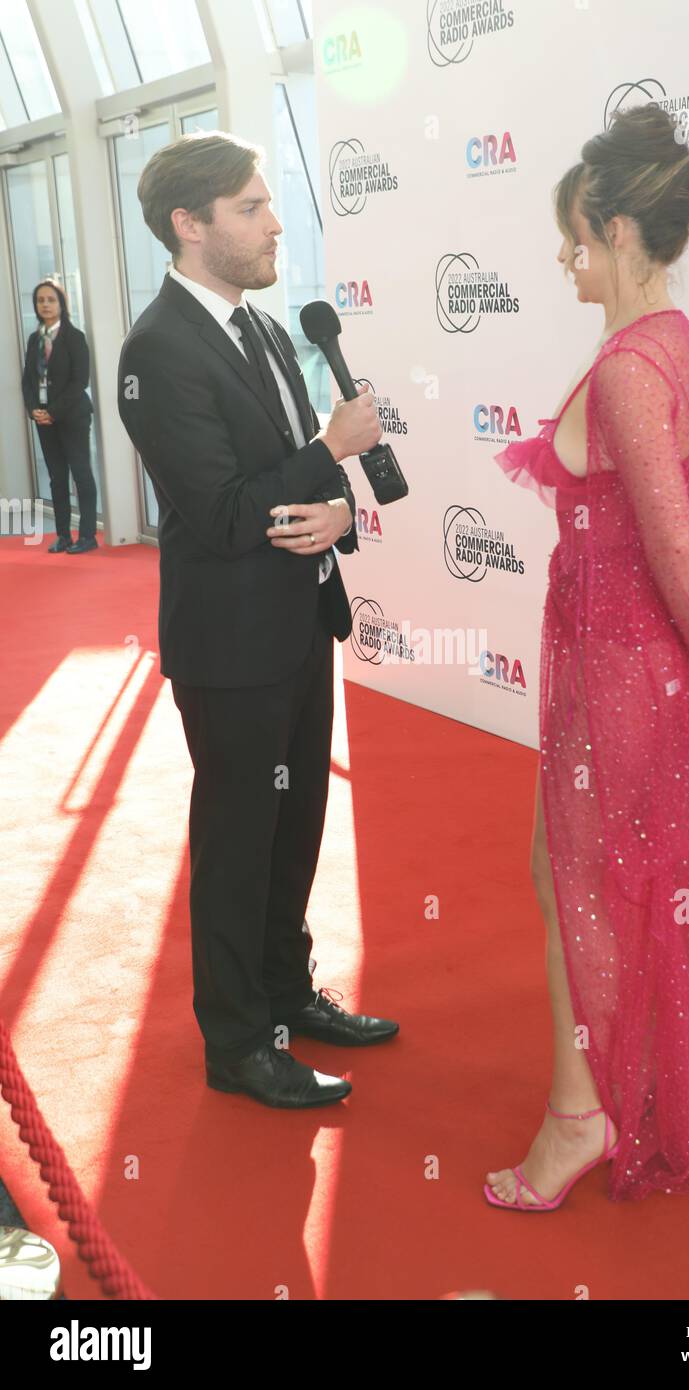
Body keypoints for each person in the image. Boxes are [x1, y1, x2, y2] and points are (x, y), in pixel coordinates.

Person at [485, 103, 689, 1210]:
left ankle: (576, 1117)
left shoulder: (631, 364)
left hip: (613, 665)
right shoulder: (675, 342)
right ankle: (624, 1086)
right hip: (643, 663)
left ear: (620, 233)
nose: (564, 258)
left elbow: (679, 535)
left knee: (579, 877)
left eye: (574, 238)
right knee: (597, 873)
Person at [117, 130, 398, 1110]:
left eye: (268, 203)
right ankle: (238, 1043)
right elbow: (228, 512)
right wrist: (328, 447)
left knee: (295, 831)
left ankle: (286, 995)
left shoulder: (268, 330)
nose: (275, 222)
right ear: (189, 225)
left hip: (297, 620)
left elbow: (289, 497)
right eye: (249, 207)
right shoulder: (155, 351)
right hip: (230, 647)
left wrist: (336, 514)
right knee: (240, 842)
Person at [21, 279, 98, 553]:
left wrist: (52, 412)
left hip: (72, 416)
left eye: (50, 300)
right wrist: (34, 410)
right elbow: (28, 381)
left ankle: (88, 536)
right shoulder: (34, 339)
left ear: (61, 304)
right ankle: (63, 535)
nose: (45, 304)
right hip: (43, 419)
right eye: (40, 300)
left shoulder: (74, 337)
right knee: (56, 477)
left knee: (80, 472)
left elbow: (80, 381)